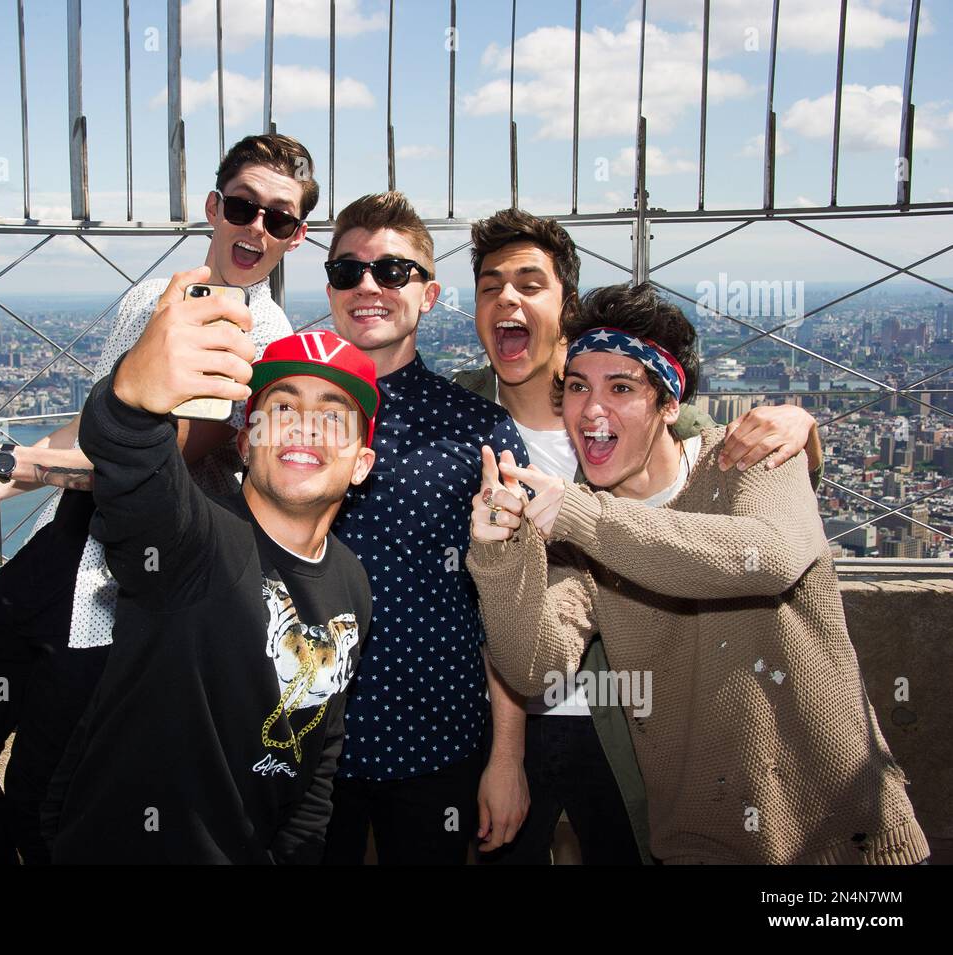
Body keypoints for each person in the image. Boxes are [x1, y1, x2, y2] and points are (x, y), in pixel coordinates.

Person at [0, 133, 316, 863]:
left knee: (46, 808)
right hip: (61, 551)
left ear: (297, 236)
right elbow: (97, 425)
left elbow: (147, 470)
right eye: (242, 205)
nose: (256, 227)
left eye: (279, 219)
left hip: (125, 590)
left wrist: (9, 459)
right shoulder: (156, 299)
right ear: (212, 207)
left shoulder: (265, 340)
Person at [467, 282, 929, 864]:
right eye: (579, 386)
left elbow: (766, 556)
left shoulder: (750, 459)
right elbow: (535, 667)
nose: (593, 409)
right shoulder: (583, 536)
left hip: (846, 838)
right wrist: (500, 555)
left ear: (669, 406)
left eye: (622, 388)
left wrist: (581, 515)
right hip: (703, 847)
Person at [454, 208, 823, 864]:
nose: (506, 298)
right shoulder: (457, 415)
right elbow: (529, 652)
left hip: (632, 721)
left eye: (530, 283)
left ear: (565, 307)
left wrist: (799, 427)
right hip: (526, 699)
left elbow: (737, 495)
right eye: (489, 285)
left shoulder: (659, 419)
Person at [45, 282, 378, 864]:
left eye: (334, 418)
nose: (304, 428)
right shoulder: (191, 543)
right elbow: (132, 459)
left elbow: (320, 750)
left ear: (361, 464)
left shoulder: (351, 580)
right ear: (246, 443)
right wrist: (131, 395)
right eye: (283, 408)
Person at [317, 193, 532, 864]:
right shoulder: (284, 411)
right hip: (303, 745)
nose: (368, 287)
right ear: (329, 287)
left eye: (393, 271)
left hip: (439, 745)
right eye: (348, 271)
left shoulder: (481, 430)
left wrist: (506, 758)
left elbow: (509, 608)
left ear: (430, 293)